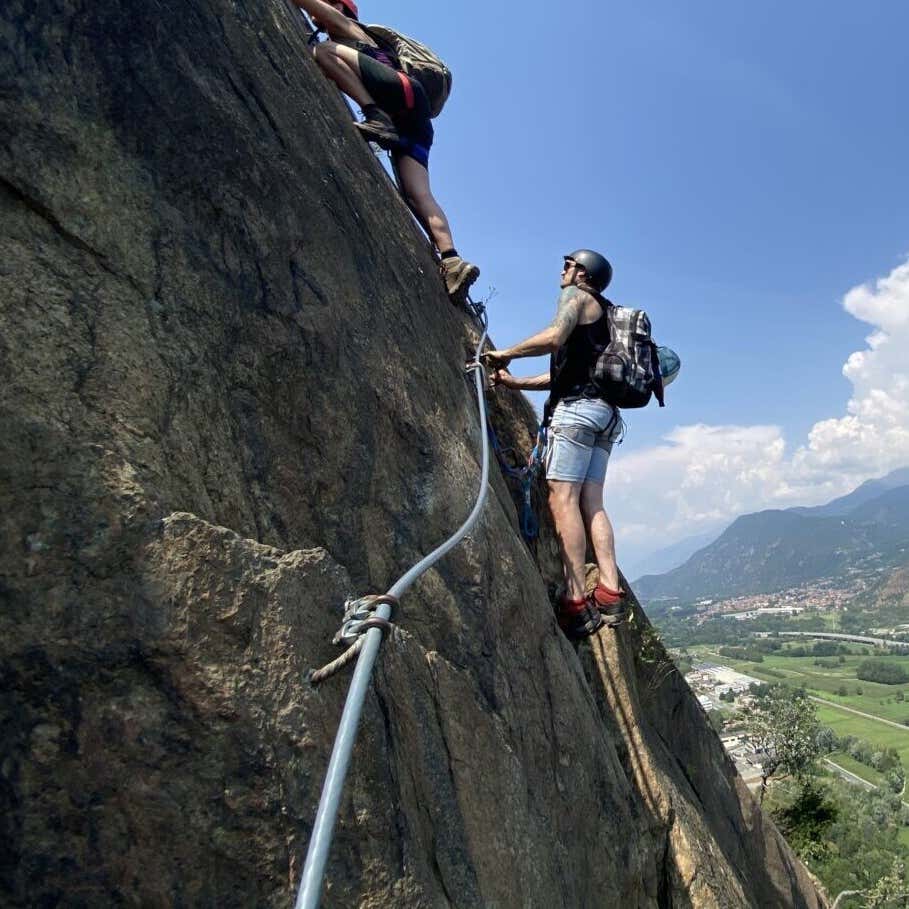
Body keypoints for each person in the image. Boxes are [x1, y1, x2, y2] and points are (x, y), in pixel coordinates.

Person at [483, 250, 628, 641]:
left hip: (577, 416)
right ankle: (610, 592)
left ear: (583, 273)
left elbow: (554, 337)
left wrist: (506, 353)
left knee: (562, 500)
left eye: (568, 264)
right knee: (592, 502)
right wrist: (513, 383)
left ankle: (576, 599)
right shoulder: (608, 316)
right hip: (605, 417)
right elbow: (563, 378)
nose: (562, 270)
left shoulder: (575, 297)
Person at [293, 0, 480, 304]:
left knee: (322, 52)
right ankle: (453, 261)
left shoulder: (350, 29)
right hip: (413, 118)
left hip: (401, 93)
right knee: (418, 195)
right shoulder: (357, 41)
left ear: (340, 7)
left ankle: (375, 117)